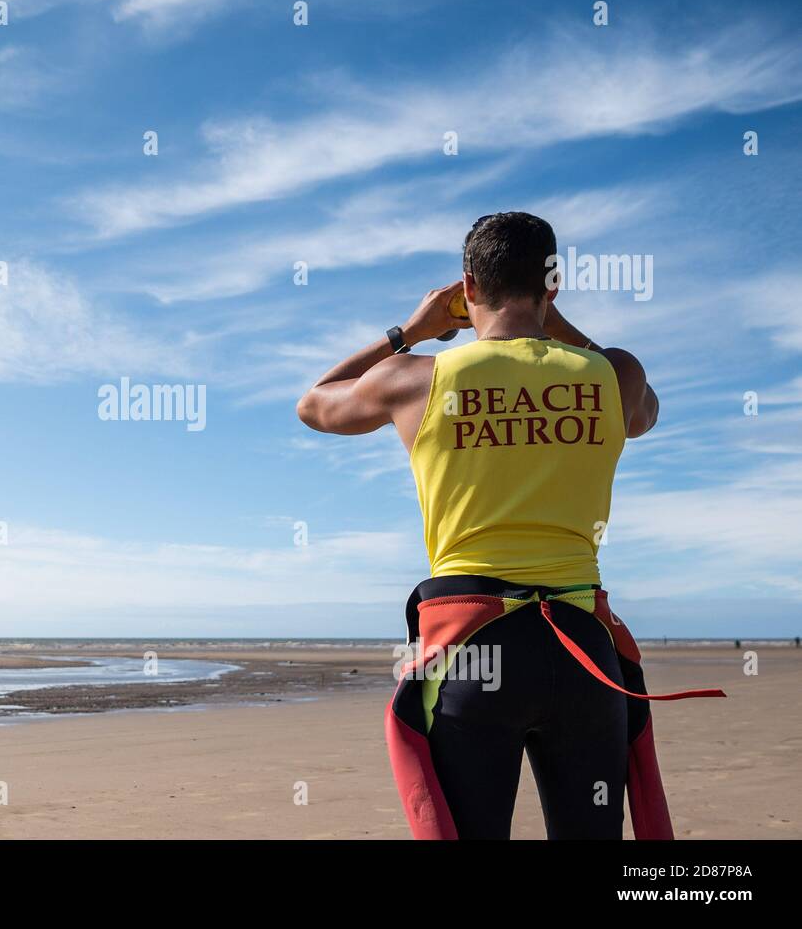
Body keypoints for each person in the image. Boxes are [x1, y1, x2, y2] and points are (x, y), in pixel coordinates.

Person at [297, 211, 722, 839]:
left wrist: (410, 329)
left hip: (474, 652)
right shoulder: (613, 375)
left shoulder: (417, 380)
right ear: (552, 285)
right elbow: (646, 412)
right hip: (583, 650)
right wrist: (552, 321)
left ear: (468, 289)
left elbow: (314, 403)